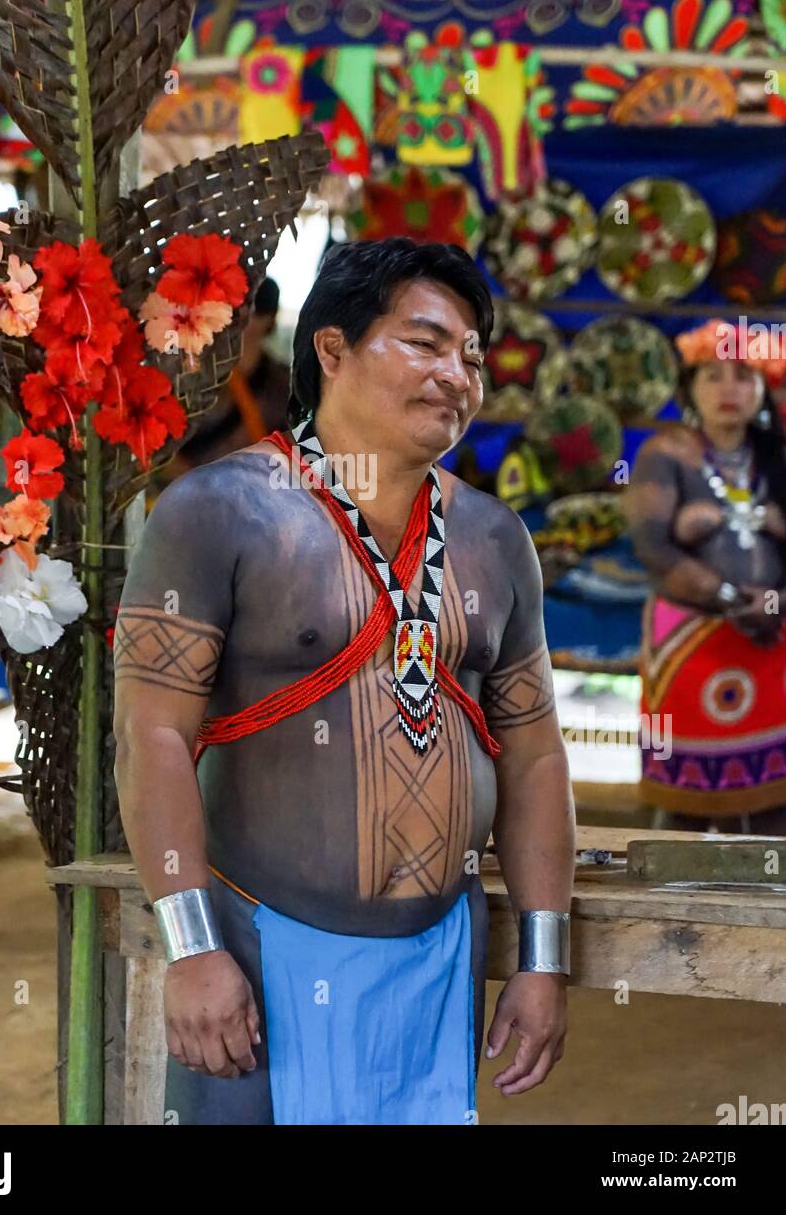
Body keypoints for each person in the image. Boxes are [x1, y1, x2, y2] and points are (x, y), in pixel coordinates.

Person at [113, 238, 574, 1126]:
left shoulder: (491, 537)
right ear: (331, 349)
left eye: (472, 356)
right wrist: (192, 947)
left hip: (441, 960)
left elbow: (535, 757)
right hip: (253, 949)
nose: (457, 375)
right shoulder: (219, 512)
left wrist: (543, 958)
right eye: (426, 343)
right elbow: (150, 736)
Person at [625, 320, 786, 833]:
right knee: (684, 806)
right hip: (689, 642)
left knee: (773, 806)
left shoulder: (776, 456)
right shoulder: (666, 452)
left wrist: (775, 603)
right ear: (689, 388)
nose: (729, 390)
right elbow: (652, 545)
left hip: (771, 640)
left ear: (763, 387)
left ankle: (766, 906)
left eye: (743, 375)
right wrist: (727, 595)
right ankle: (678, 909)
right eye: (712, 376)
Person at [168, 276, 291, 473]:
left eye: (252, 312)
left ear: (269, 319)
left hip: (259, 492)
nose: (240, 320)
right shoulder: (192, 373)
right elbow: (164, 448)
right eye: (234, 312)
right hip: (189, 492)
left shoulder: (285, 383)